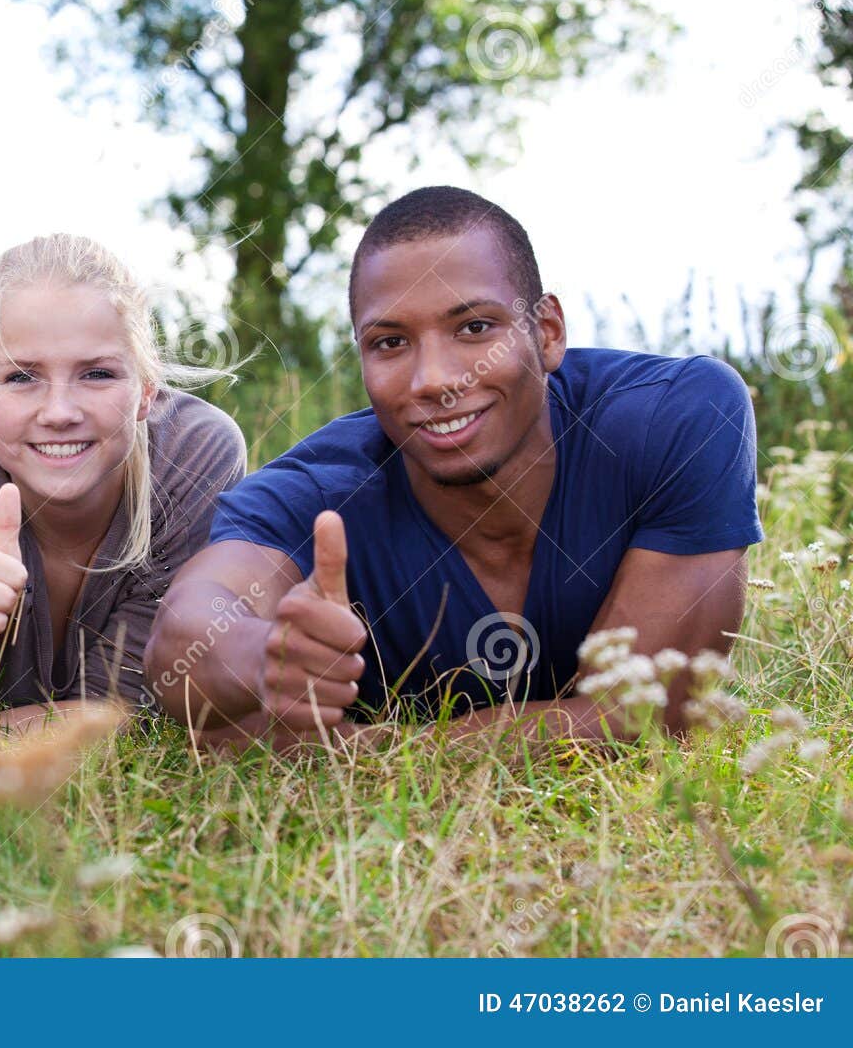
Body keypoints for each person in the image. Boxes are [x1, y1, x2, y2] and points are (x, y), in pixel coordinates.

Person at [146, 186, 763, 750]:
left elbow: (648, 718)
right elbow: (182, 639)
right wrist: (263, 656)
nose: (435, 379)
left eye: (474, 328)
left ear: (546, 331)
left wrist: (379, 754)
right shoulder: (313, 495)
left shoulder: (675, 417)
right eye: (390, 342)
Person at [0, 234, 246, 753]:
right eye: (22, 376)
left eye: (97, 374)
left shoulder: (192, 453)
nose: (59, 411)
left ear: (146, 386)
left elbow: (118, 708)